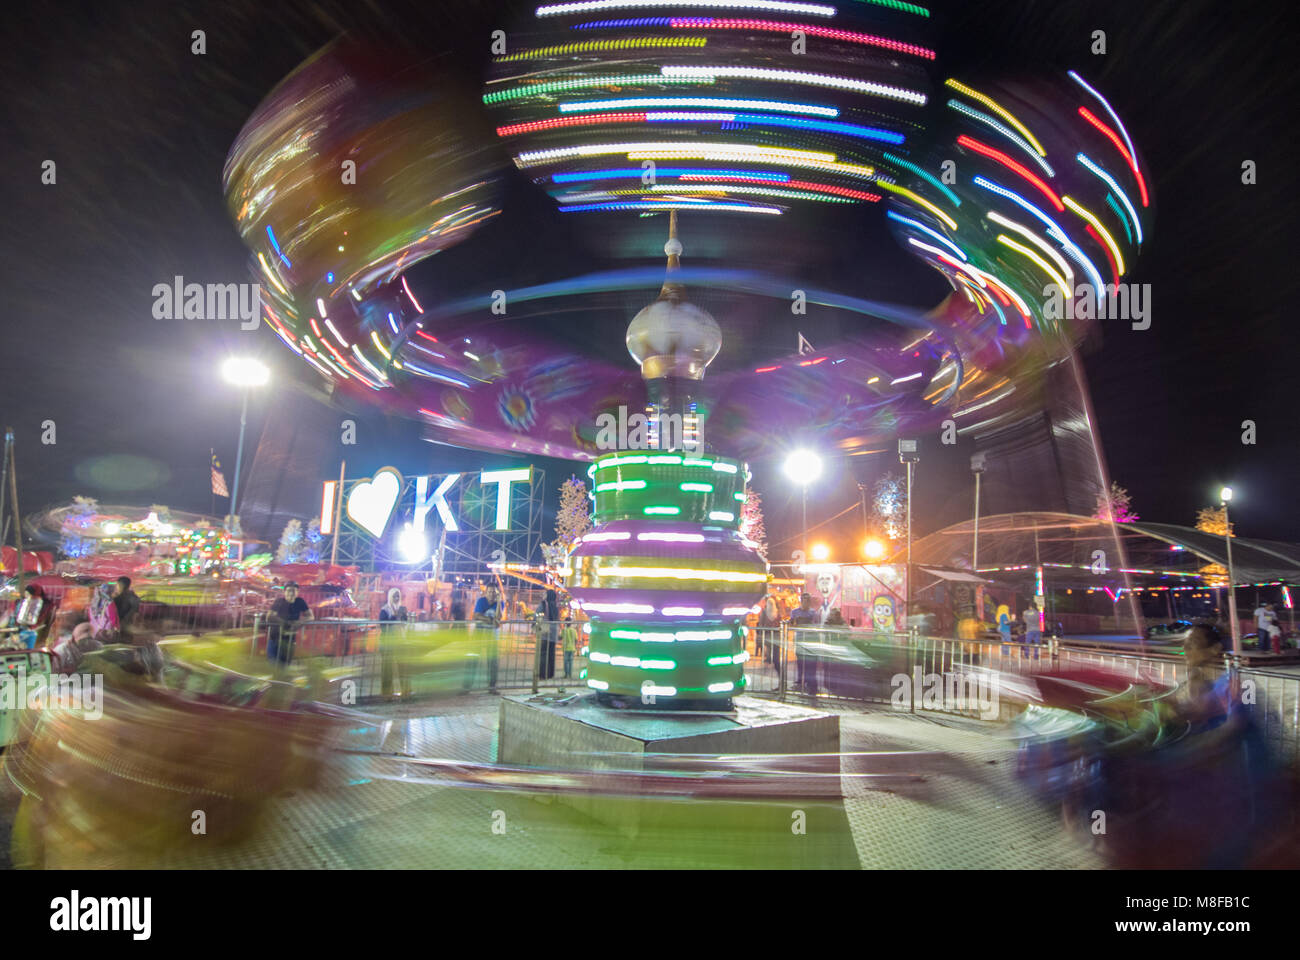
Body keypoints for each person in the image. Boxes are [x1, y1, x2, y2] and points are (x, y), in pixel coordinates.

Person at [465, 583, 501, 692]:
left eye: (494, 592)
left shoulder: (499, 603)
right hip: (479, 634)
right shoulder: (481, 601)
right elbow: (476, 615)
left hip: (492, 636)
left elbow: (498, 618)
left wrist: (499, 602)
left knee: (493, 662)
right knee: (473, 660)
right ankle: (467, 686)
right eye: (489, 592)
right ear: (486, 593)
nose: (491, 594)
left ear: (497, 593)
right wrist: (489, 620)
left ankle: (492, 686)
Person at [267, 582, 312, 665]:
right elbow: (269, 616)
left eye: (294, 591)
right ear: (284, 592)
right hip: (275, 638)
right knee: (273, 665)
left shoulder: (300, 602)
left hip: (289, 640)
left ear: (297, 592)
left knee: (285, 665)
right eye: (288, 590)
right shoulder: (279, 601)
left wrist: (299, 622)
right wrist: (284, 623)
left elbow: (310, 616)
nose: (291, 593)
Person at [379, 587, 409, 699]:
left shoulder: (402, 608)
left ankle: (405, 692)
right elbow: (383, 626)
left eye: (398, 596)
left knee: (403, 668)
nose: (396, 598)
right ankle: (387, 694)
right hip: (388, 642)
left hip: (400, 641)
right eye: (394, 596)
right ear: (390, 597)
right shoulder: (385, 610)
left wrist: (404, 616)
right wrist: (395, 617)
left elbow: (405, 623)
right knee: (387, 670)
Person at [790, 593, 819, 694]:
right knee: (800, 661)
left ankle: (809, 682)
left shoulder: (813, 612)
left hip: (809, 640)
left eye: (808, 601)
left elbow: (816, 625)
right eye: (804, 600)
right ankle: (800, 679)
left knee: (809, 663)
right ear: (801, 601)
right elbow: (791, 623)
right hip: (799, 639)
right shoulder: (794, 612)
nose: (806, 603)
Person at [538, 588, 560, 680]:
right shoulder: (555, 606)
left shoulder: (543, 604)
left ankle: (543, 674)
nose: (543, 595)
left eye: (545, 594)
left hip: (545, 633)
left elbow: (538, 616)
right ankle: (550, 674)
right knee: (551, 654)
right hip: (553, 633)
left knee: (543, 653)